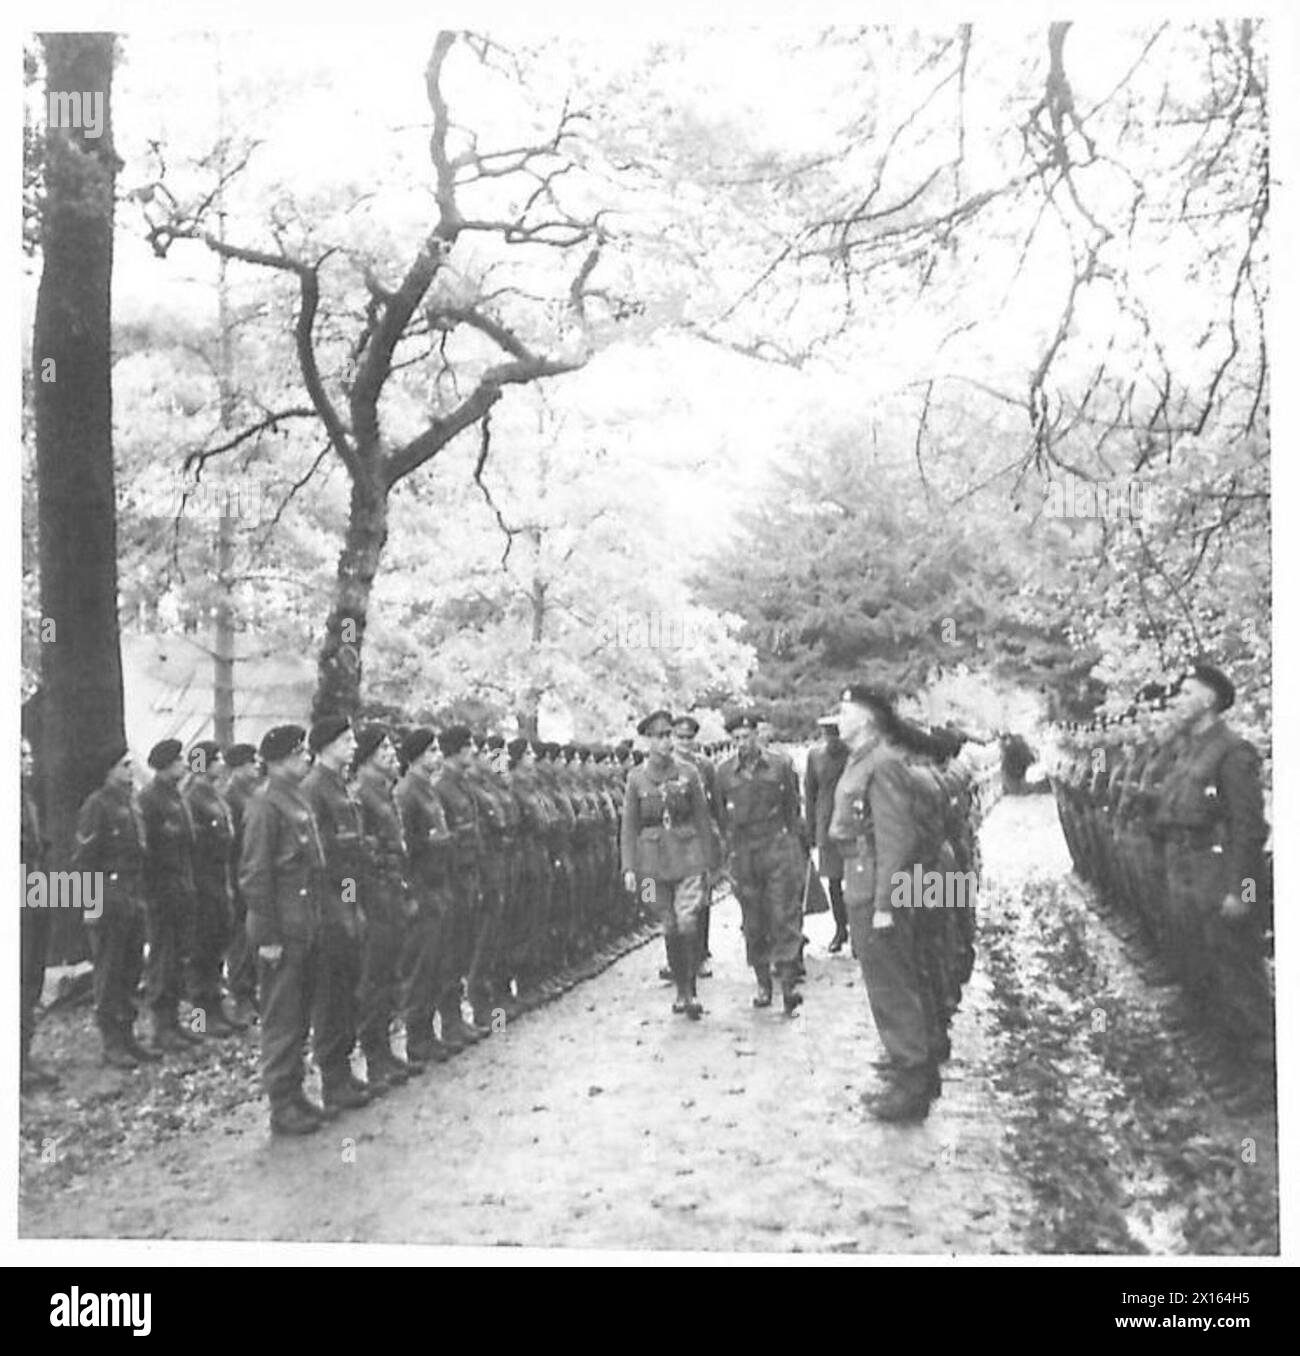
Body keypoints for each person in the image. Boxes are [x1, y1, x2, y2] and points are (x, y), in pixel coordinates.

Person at [1153, 664, 1273, 1100]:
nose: (1176, 701)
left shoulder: (1232, 751)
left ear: (1208, 700)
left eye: (1186, 693)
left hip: (1219, 874)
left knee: (1238, 973)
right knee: (1206, 966)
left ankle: (1259, 1076)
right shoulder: (1192, 750)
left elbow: (1249, 829)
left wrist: (1243, 892)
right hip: (1189, 870)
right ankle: (1228, 1057)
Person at [828, 685, 939, 1123]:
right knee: (886, 983)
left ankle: (911, 1083)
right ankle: (905, 1069)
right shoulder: (861, 760)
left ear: (867, 719)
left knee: (893, 985)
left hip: (877, 884)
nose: (837, 717)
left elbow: (897, 839)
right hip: (861, 880)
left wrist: (886, 903)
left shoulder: (883, 764)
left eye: (844, 710)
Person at [240, 724, 328, 1135]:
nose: (306, 758)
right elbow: (256, 876)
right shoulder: (265, 805)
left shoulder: (296, 797)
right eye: (298, 753)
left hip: (305, 922)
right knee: (281, 1017)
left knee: (300, 1013)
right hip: (282, 929)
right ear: (276, 760)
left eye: (305, 751)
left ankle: (295, 1094)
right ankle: (281, 1103)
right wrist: (268, 938)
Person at [620, 709, 714, 1019]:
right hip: (651, 867)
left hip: (687, 858)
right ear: (648, 741)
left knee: (687, 920)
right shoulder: (636, 778)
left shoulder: (688, 773)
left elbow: (703, 819)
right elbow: (629, 827)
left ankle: (691, 992)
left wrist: (709, 862)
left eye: (669, 735)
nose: (666, 742)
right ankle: (680, 989)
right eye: (659, 737)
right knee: (667, 923)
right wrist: (629, 868)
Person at [300, 716, 373, 1113]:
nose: (352, 744)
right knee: (330, 994)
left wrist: (352, 903)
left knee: (347, 988)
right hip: (327, 905)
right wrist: (85, 906)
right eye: (345, 739)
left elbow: (350, 854)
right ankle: (331, 1076)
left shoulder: (337, 785)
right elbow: (320, 860)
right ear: (325, 745)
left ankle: (342, 1072)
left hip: (345, 899)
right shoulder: (314, 789)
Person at [75, 744, 160, 1070]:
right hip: (107, 900)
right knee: (109, 973)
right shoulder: (97, 805)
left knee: (130, 969)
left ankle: (128, 1035)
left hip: (132, 897)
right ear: (108, 770)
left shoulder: (131, 803)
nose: (129, 771)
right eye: (124, 766)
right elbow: (84, 860)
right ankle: (111, 1041)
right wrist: (91, 907)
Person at [715, 712, 806, 1014]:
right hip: (744, 852)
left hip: (776, 847)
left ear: (757, 735)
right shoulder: (724, 773)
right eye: (737, 738)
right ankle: (763, 981)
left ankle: (789, 983)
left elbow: (792, 808)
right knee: (754, 921)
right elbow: (720, 816)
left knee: (784, 915)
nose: (743, 743)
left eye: (747, 736)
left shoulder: (780, 765)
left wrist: (791, 846)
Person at [353, 724, 413, 1089]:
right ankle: (373, 1054)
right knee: (373, 978)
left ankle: (386, 1050)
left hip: (391, 891)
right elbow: (360, 850)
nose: (392, 754)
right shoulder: (361, 794)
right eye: (386, 749)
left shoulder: (384, 792)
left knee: (390, 974)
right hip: (374, 895)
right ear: (371, 755)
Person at [394, 727, 455, 1065]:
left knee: (435, 963)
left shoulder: (427, 791)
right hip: (421, 888)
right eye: (431, 751)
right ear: (417, 756)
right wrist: (411, 896)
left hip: (438, 886)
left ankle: (428, 1034)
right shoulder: (407, 793)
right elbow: (405, 849)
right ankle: (416, 1039)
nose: (437, 756)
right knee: (420, 968)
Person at [139, 738, 204, 1052]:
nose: (184, 764)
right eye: (179, 759)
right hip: (161, 893)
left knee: (180, 957)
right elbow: (145, 852)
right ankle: (161, 1027)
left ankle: (176, 1023)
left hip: (183, 888)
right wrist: (154, 892)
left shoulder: (178, 798)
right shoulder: (149, 800)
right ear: (164, 765)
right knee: (163, 960)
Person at [183, 740, 239, 1037]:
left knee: (215, 949)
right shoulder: (193, 799)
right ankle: (200, 1021)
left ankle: (216, 1012)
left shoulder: (214, 796)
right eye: (216, 758)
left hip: (220, 881)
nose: (222, 763)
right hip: (202, 884)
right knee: (200, 954)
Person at [21, 736, 59, 1091]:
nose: (28, 762)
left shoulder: (27, 799)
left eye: (30, 755)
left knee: (31, 977)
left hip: (33, 891)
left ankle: (23, 1057)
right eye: (21, 756)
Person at [672, 714, 722, 979]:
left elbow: (715, 806)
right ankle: (676, 959)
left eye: (689, 738)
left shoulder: (704, 767)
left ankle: (700, 955)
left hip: (698, 841)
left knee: (701, 900)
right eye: (679, 737)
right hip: (670, 845)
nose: (684, 743)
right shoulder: (660, 767)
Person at [221, 743, 262, 1025]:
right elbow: (231, 844)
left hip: (253, 871)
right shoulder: (231, 797)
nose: (256, 766)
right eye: (251, 763)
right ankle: (241, 996)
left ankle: (251, 992)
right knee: (240, 939)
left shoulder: (253, 793)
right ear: (238, 768)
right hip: (239, 875)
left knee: (253, 937)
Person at [805, 715, 849, 952]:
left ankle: (858, 931)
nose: (831, 740)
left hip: (852, 825)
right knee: (833, 881)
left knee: (855, 880)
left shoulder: (853, 754)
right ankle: (840, 928)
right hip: (827, 824)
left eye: (835, 734)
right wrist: (811, 829)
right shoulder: (815, 756)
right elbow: (810, 793)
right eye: (827, 734)